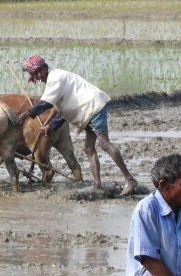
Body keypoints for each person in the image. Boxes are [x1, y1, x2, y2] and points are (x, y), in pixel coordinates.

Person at [17, 55, 137, 196]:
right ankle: (97, 185)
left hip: (93, 106)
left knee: (104, 144)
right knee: (88, 148)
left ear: (44, 69)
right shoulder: (53, 81)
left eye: (38, 72)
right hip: (87, 110)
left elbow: (45, 104)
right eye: (34, 74)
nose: (37, 76)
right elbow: (57, 108)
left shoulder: (55, 78)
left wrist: (25, 115)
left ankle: (130, 179)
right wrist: (49, 124)